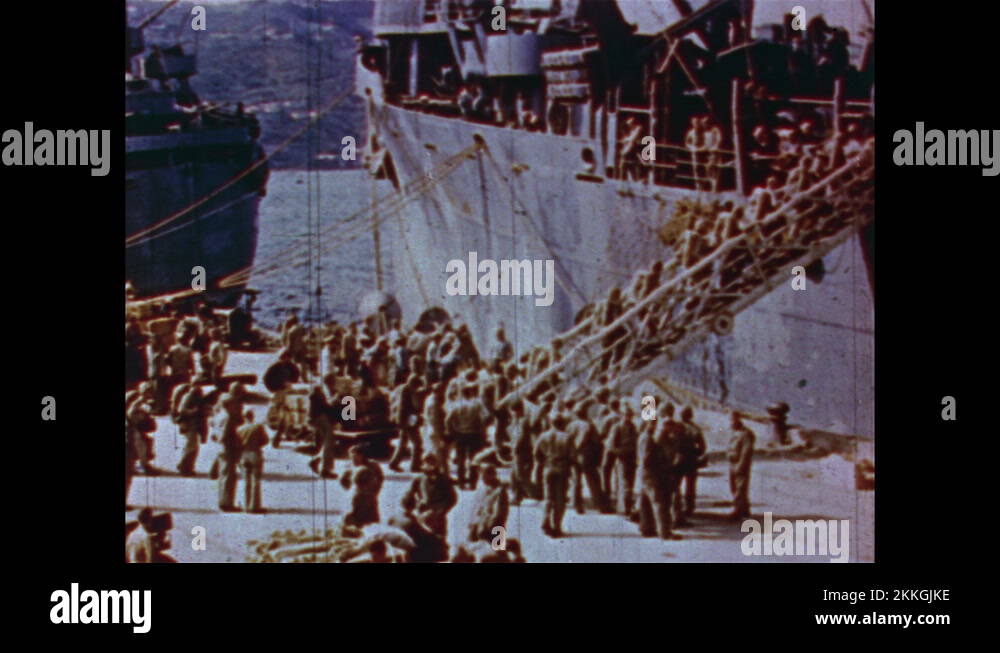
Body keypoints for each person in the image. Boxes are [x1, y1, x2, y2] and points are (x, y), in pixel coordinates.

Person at [637, 404, 683, 540]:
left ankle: (646, 528)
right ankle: (665, 533)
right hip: (652, 475)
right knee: (660, 503)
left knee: (645, 502)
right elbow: (647, 458)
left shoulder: (643, 436)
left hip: (644, 475)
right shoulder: (649, 438)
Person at [534, 413, 575, 537]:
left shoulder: (543, 436)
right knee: (560, 499)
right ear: (563, 424)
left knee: (548, 497)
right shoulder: (567, 437)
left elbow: (536, 453)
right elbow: (572, 455)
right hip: (562, 468)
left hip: (548, 467)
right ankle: (557, 526)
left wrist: (543, 463)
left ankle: (545, 520)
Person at [568, 401, 612, 514]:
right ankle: (600, 506)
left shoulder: (571, 425)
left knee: (576, 481)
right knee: (593, 481)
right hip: (586, 456)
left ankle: (576, 504)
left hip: (574, 455)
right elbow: (596, 440)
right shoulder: (588, 425)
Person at [401, 453, 458, 540]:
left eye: (431, 463)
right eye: (426, 463)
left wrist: (441, 510)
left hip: (438, 515)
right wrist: (409, 508)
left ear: (436, 464)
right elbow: (409, 496)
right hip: (422, 512)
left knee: (438, 538)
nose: (428, 466)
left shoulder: (444, 480)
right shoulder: (419, 479)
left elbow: (452, 498)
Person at [216, 383, 246, 512]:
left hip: (221, 448)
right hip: (228, 449)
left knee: (224, 475)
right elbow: (224, 436)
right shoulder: (228, 418)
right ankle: (227, 504)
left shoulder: (221, 414)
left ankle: (223, 501)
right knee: (229, 476)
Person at [675, 406, 707, 524]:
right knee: (691, 485)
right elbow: (702, 447)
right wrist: (695, 453)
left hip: (679, 459)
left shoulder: (676, 427)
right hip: (691, 459)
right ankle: (689, 508)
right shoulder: (696, 429)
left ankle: (677, 507)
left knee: (676, 484)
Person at [340, 445, 385, 528]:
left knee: (371, 520)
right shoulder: (349, 467)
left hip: (370, 497)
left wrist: (375, 490)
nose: (353, 459)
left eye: (355, 456)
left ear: (362, 455)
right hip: (357, 495)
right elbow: (343, 480)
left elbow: (380, 478)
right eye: (351, 457)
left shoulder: (372, 465)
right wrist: (352, 489)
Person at [466, 461, 509, 545]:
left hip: (495, 530)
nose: (482, 479)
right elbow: (477, 509)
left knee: (497, 555)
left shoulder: (500, 491)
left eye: (484, 476)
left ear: (492, 475)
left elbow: (499, 515)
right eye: (481, 477)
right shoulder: (484, 490)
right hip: (481, 529)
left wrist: (486, 528)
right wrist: (473, 524)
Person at [238, 411, 269, 513]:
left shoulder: (239, 429)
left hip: (242, 454)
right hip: (255, 453)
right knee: (255, 480)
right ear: (252, 416)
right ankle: (254, 506)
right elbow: (265, 440)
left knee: (246, 481)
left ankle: (246, 506)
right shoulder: (258, 427)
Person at [175, 384, 207, 476]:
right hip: (189, 425)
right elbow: (182, 409)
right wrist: (193, 411)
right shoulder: (189, 396)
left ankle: (186, 466)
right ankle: (184, 467)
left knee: (193, 447)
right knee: (190, 447)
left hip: (195, 426)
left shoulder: (197, 396)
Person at [728, 411, 755, 520]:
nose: (731, 422)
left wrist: (741, 464)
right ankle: (744, 509)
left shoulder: (746, 433)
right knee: (734, 486)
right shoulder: (734, 432)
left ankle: (738, 510)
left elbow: (746, 451)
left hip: (740, 462)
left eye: (733, 419)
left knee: (740, 487)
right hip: (732, 462)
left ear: (738, 419)